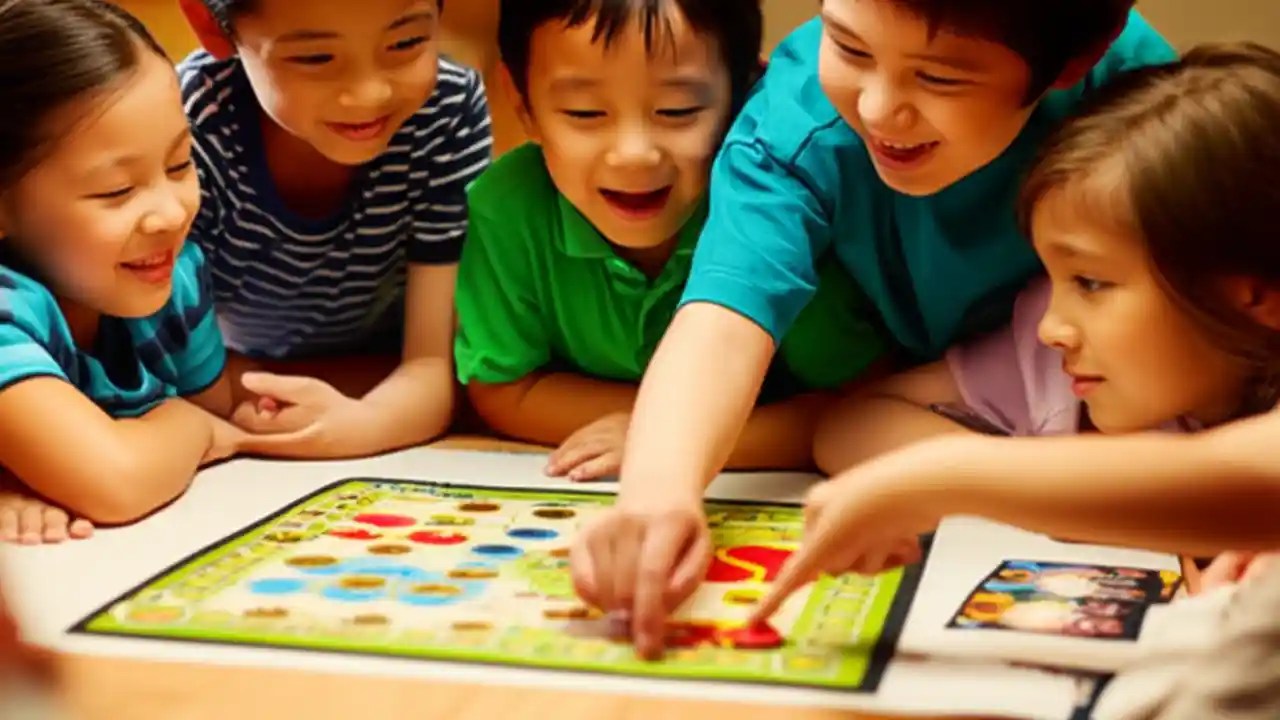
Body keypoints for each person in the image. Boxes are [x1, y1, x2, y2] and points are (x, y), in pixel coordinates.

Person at [571, 0, 1175, 659]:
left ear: (1074, 61)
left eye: (939, 78)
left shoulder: (1145, 110)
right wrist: (657, 496)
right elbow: (724, 316)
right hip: (948, 408)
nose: (879, 108)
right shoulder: (796, 122)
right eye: (850, 48)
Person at [749, 43, 1280, 622]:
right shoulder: (1058, 362)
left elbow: (1242, 480)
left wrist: (956, 482)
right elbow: (850, 426)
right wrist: (1046, 494)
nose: (1053, 326)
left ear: (1253, 293)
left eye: (1093, 282)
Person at [455, 0, 885, 481]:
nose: (633, 155)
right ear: (522, 103)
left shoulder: (772, 221)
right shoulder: (508, 208)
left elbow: (861, 407)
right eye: (584, 112)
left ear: (747, 96)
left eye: (677, 110)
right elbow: (503, 389)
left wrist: (666, 438)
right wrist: (658, 421)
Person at [175, 0, 492, 458]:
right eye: (315, 57)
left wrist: (366, 424)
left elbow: (434, 365)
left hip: (384, 378)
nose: (367, 94)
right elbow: (177, 373)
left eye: (406, 43)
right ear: (210, 24)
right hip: (237, 374)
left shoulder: (446, 112)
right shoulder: (185, 129)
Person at [0, 0, 242, 541]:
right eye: (117, 190)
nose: (173, 213)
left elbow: (218, 413)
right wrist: (187, 425)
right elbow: (120, 480)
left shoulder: (168, 276)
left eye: (180, 164)